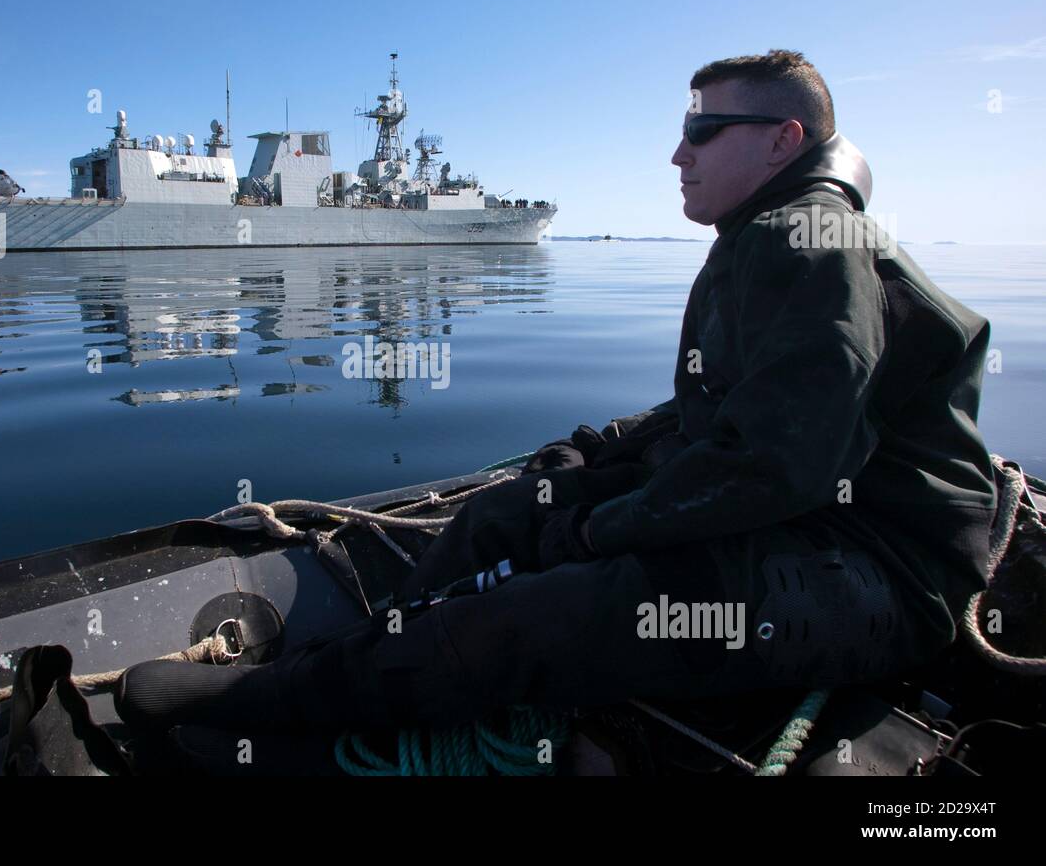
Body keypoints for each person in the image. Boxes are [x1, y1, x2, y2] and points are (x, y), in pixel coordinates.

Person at [114, 50, 997, 768]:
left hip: (881, 566)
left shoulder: (810, 242)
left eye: (702, 130)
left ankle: (286, 700)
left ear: (782, 140)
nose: (677, 154)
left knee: (569, 607)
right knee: (511, 508)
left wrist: (592, 533)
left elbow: (776, 463)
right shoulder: (774, 232)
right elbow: (735, 409)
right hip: (806, 519)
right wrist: (594, 456)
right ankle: (376, 652)